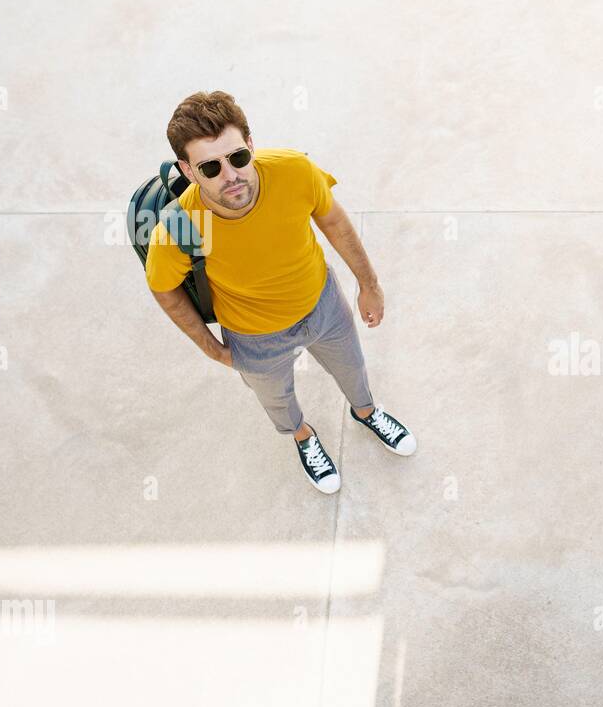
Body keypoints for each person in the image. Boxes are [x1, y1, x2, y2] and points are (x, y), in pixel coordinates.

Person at [145, 90, 415, 494]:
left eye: (237, 157)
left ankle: (366, 411)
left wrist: (369, 285)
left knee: (352, 368)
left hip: (323, 304)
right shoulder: (180, 226)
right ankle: (303, 436)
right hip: (253, 338)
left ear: (250, 145)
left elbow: (335, 223)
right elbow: (165, 291)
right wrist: (211, 348)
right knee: (278, 402)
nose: (231, 176)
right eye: (210, 167)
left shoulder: (293, 170)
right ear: (187, 170)